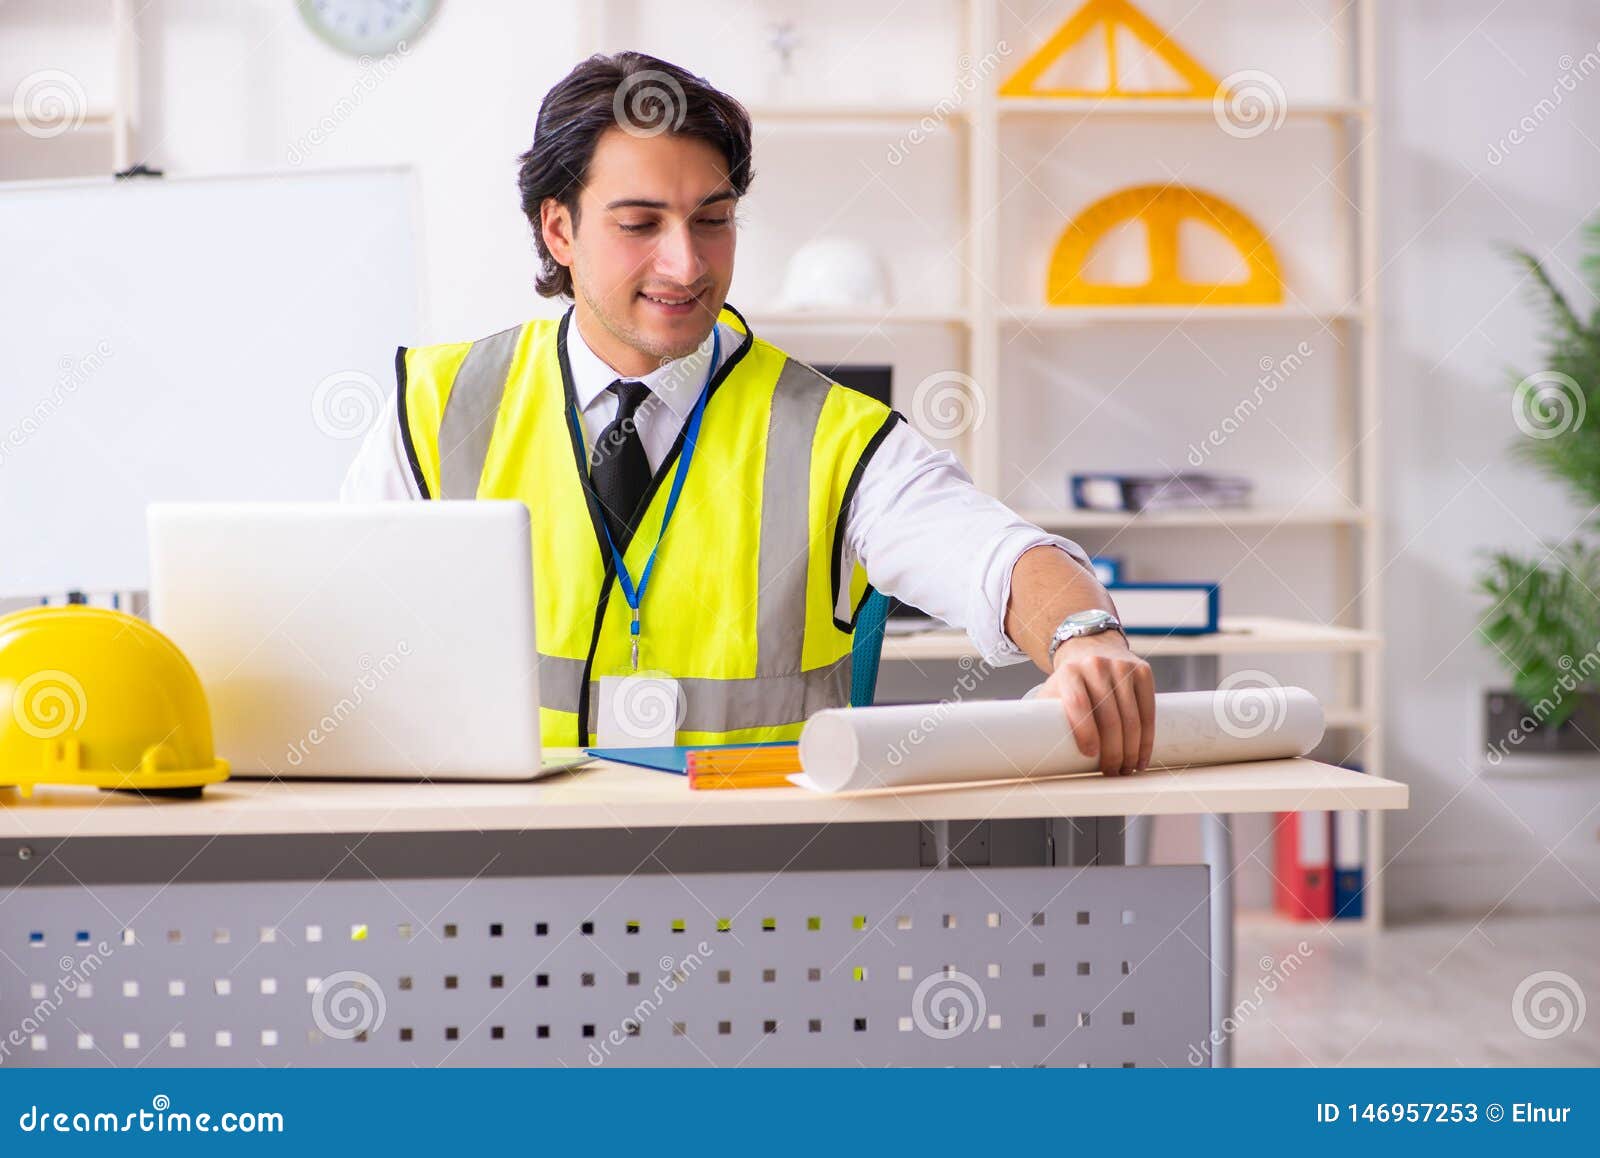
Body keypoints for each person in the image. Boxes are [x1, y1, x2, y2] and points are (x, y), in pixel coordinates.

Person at [342, 51, 1153, 774]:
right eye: (640, 224)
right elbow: (337, 635)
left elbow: (994, 554)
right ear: (559, 229)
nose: (686, 263)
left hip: (762, 905)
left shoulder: (833, 433)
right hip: (489, 887)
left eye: (714, 220)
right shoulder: (436, 407)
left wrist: (1084, 634)